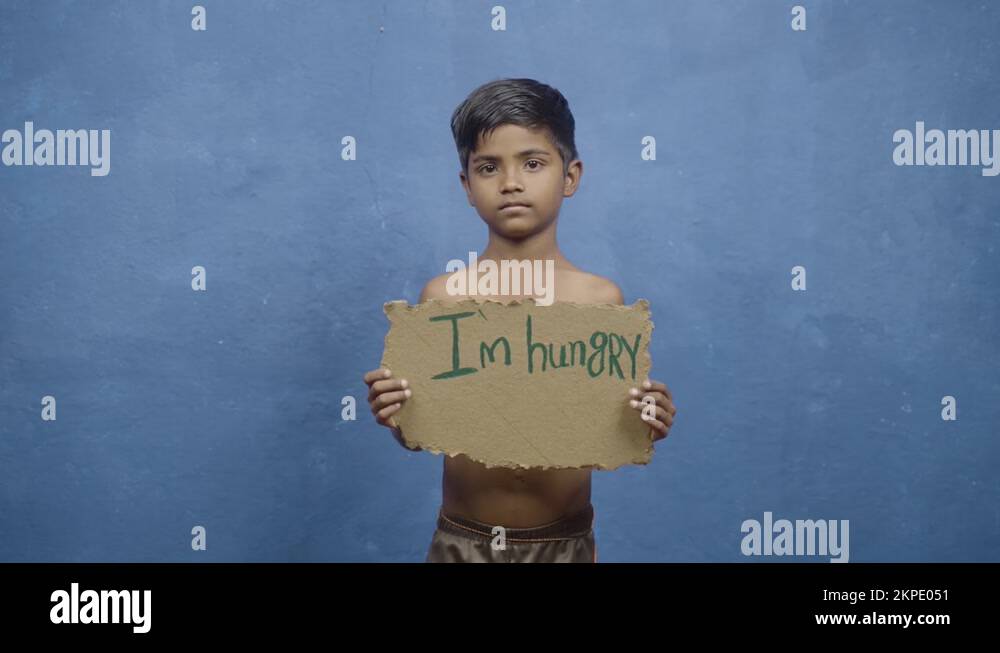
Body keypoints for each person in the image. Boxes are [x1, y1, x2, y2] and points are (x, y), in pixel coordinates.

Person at [363, 78, 677, 562]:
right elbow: (420, 432)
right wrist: (395, 414)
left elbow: (613, 426)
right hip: (463, 541)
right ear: (467, 186)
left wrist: (646, 418)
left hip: (563, 543)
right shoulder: (444, 297)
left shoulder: (599, 300)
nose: (511, 182)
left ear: (570, 176)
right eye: (488, 167)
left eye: (533, 163)